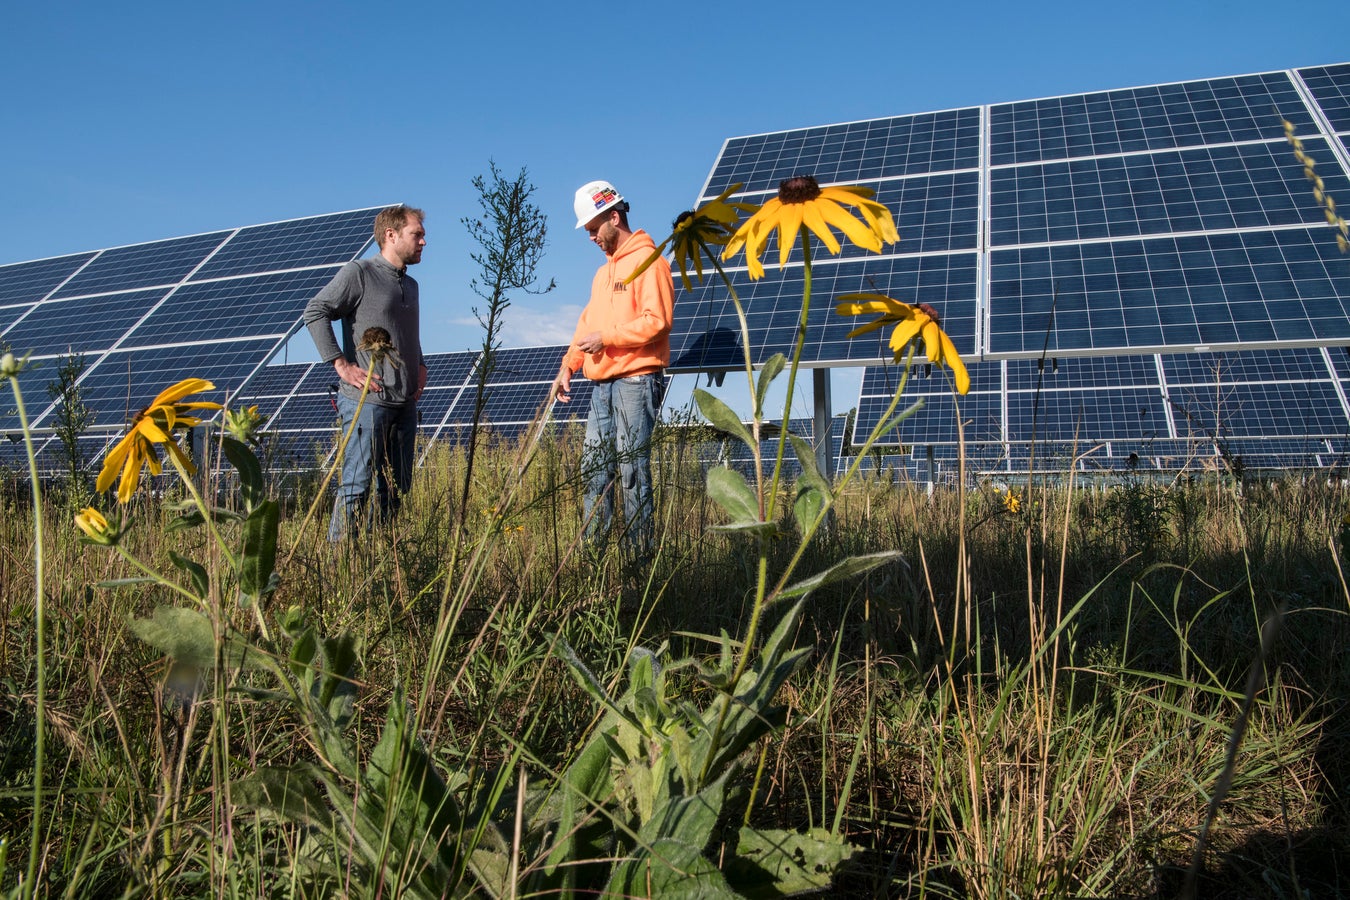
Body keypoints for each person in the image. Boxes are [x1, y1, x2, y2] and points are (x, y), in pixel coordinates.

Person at [553, 180, 674, 559]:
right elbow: (586, 326)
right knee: (594, 473)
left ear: (614, 218)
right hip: (601, 386)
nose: (591, 237)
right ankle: (595, 560)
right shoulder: (602, 275)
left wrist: (607, 338)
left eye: (593, 229)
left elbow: (658, 321)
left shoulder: (649, 261)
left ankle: (640, 561)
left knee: (631, 473)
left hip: (636, 381)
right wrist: (568, 366)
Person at [304, 204, 428, 540]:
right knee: (356, 487)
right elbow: (315, 311)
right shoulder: (359, 273)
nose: (423, 242)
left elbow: (404, 331)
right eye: (417, 234)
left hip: (404, 403)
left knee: (396, 488)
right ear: (391, 235)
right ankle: (340, 561)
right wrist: (341, 364)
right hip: (367, 402)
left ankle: (379, 557)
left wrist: (420, 364)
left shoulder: (412, 285)